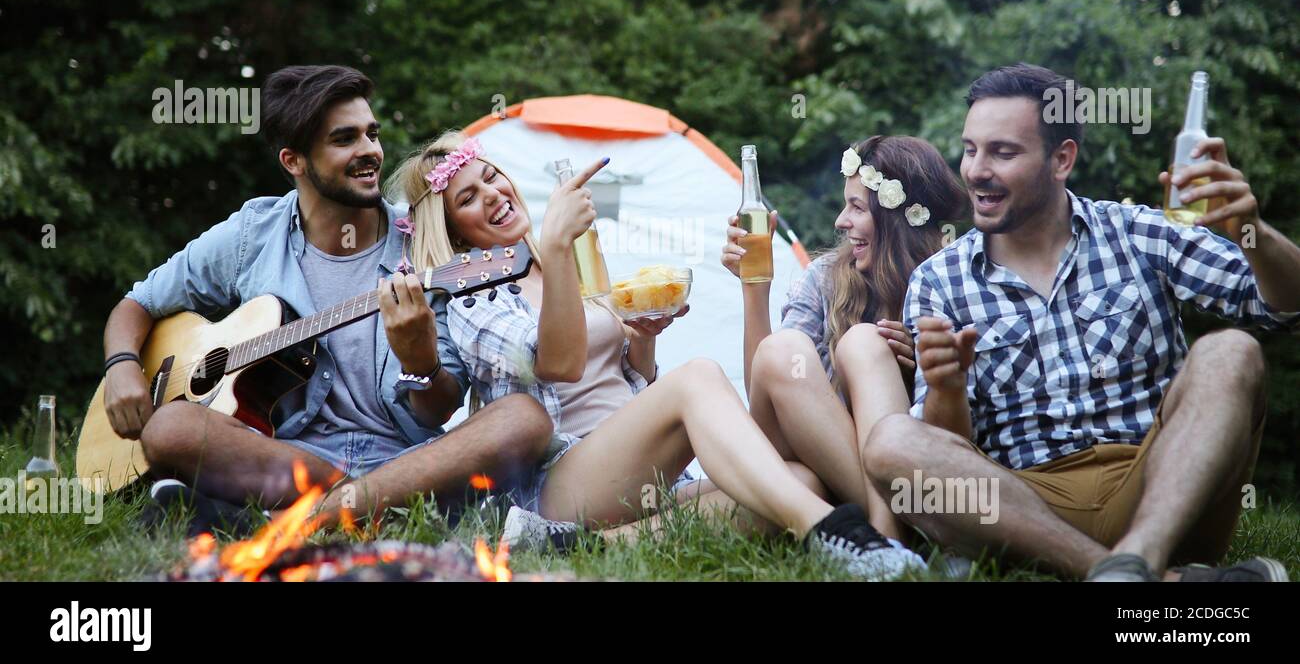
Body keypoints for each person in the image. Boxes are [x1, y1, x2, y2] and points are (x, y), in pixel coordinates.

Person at [385, 130, 928, 579]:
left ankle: (573, 548)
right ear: (452, 230)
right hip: (557, 478)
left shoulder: (570, 264)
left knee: (795, 483)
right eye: (468, 198)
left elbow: (625, 382)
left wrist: (641, 342)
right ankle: (843, 538)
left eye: (491, 178)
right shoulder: (474, 298)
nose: (493, 195)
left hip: (626, 475)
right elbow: (558, 363)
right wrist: (552, 243)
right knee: (699, 378)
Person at [867, 62, 1298, 581]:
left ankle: (1137, 556)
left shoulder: (1138, 232)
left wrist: (1253, 231)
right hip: (1026, 506)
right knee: (893, 440)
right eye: (970, 149)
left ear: (1061, 159)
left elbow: (1281, 307)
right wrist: (947, 387)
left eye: (1003, 152)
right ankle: (1133, 575)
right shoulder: (940, 281)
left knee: (1233, 351)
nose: (977, 170)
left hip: (1164, 489)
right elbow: (945, 448)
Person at [101, 65, 552, 530]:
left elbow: (438, 409)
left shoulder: (424, 249)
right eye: (345, 139)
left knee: (523, 419)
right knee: (169, 428)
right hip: (286, 458)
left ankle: (298, 519)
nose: (370, 152)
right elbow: (136, 305)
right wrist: (121, 365)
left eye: (371, 134)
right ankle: (352, 512)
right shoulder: (252, 236)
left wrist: (422, 361)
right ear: (294, 161)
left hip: (404, 463)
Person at [721, 135, 966, 544]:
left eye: (856, 207)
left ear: (899, 217)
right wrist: (753, 289)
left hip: (919, 474)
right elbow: (768, 390)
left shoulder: (951, 283)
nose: (840, 221)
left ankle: (882, 539)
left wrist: (925, 364)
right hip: (820, 465)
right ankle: (891, 538)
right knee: (784, 349)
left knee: (863, 343)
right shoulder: (824, 279)